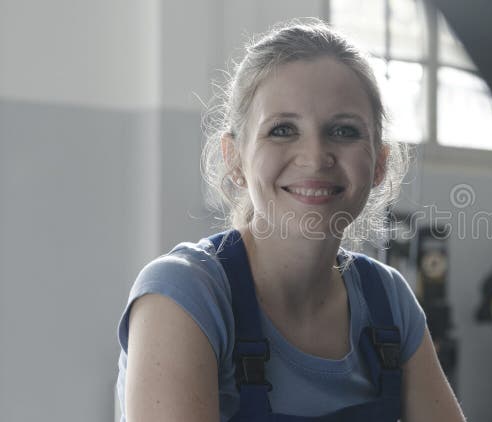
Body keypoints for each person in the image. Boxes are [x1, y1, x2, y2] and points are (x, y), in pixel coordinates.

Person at [115, 18, 466, 422]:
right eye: (282, 130)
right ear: (235, 159)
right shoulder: (184, 296)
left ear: (380, 164)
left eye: (344, 130)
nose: (315, 157)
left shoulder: (389, 302)